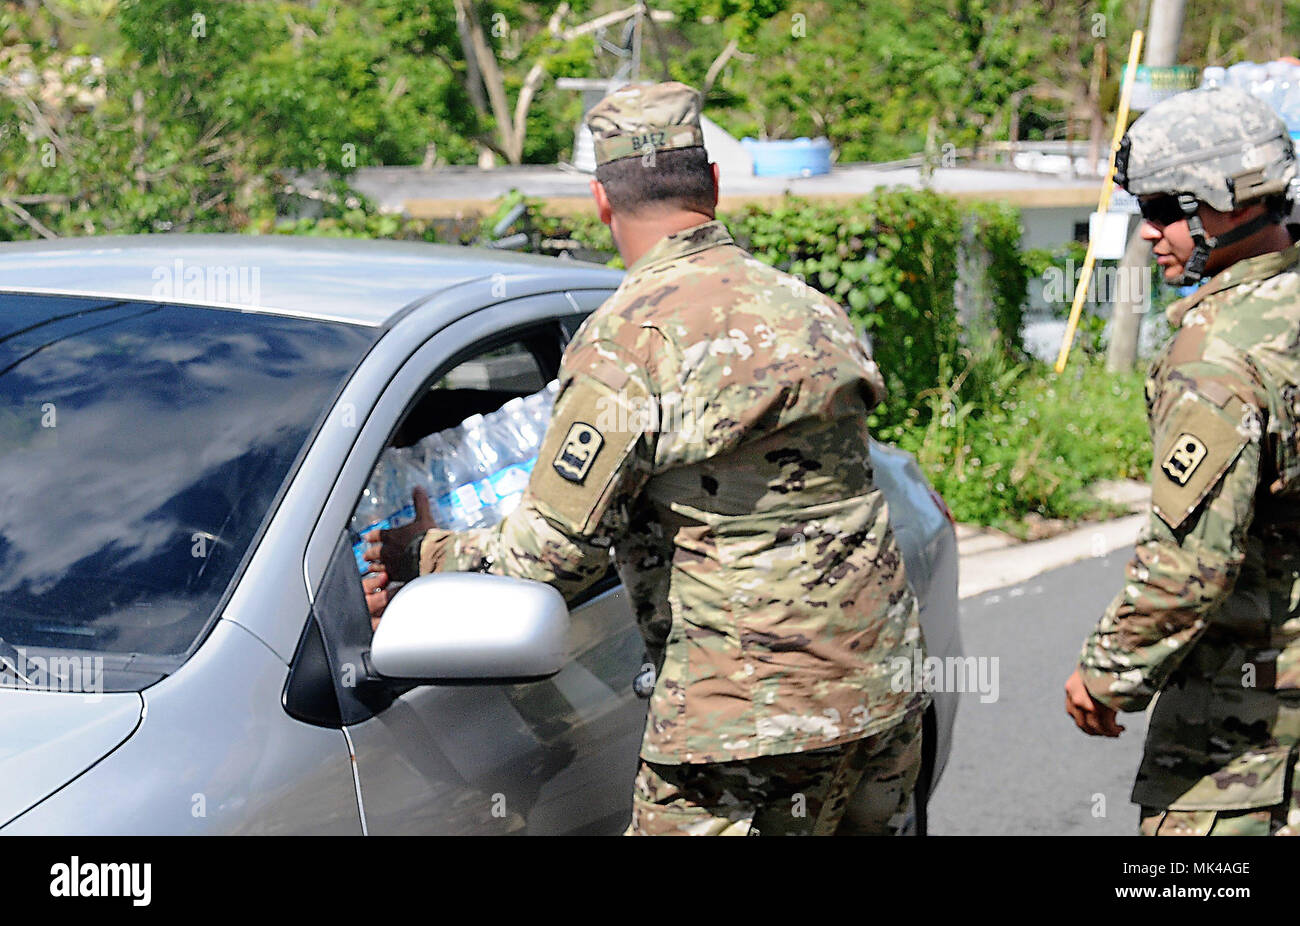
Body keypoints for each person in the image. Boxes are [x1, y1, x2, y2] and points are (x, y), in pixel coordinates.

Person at [363, 80, 928, 836]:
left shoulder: (628, 339)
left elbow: (551, 560)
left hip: (745, 727)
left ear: (602, 200)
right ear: (714, 185)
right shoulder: (812, 308)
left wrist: (424, 554)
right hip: (882, 691)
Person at [1065, 85, 1300, 836]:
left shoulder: (1218, 355)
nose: (1147, 233)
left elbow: (1189, 566)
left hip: (1243, 747)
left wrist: (1106, 675)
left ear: (1229, 202)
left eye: (1165, 208)